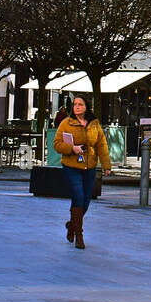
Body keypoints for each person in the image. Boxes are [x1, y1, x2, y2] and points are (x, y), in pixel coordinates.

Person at [51, 95, 113, 249]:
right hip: (71, 166)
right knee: (78, 197)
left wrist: (106, 165)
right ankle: (79, 235)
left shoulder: (94, 124)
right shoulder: (66, 123)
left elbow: (102, 145)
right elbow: (57, 144)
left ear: (87, 107)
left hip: (90, 166)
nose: (77, 107)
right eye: (75, 104)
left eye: (80, 104)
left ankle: (72, 225)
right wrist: (71, 148)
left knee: (86, 200)